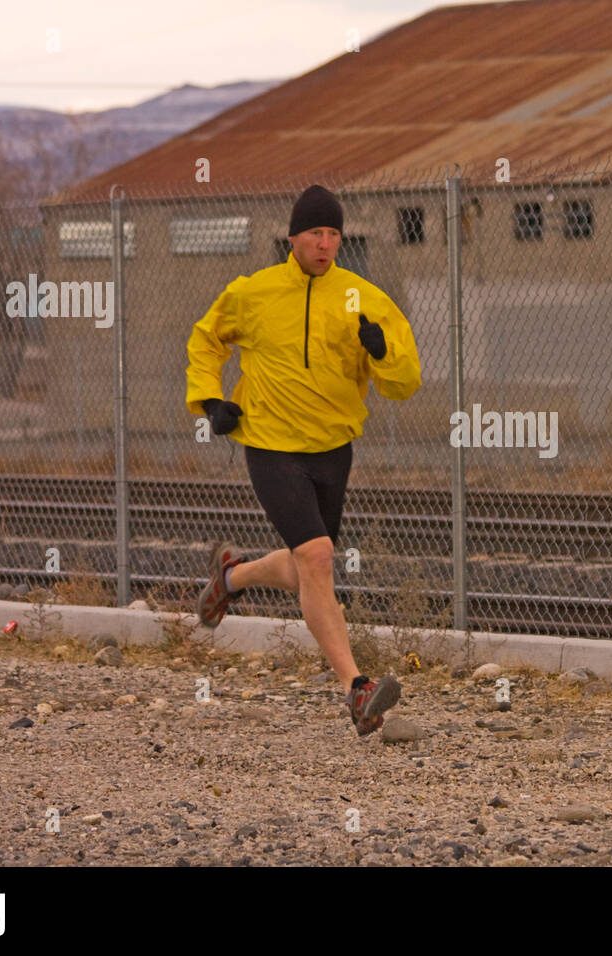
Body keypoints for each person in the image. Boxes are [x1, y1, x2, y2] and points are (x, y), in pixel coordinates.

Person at [184, 184, 422, 736]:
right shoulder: (255, 292)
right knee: (316, 558)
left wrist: (382, 352)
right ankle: (357, 690)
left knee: (304, 563)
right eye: (315, 232)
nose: (325, 243)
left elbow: (405, 383)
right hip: (269, 442)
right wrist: (211, 399)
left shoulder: (365, 298)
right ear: (292, 236)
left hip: (333, 449)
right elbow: (206, 339)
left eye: (334, 233)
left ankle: (233, 576)